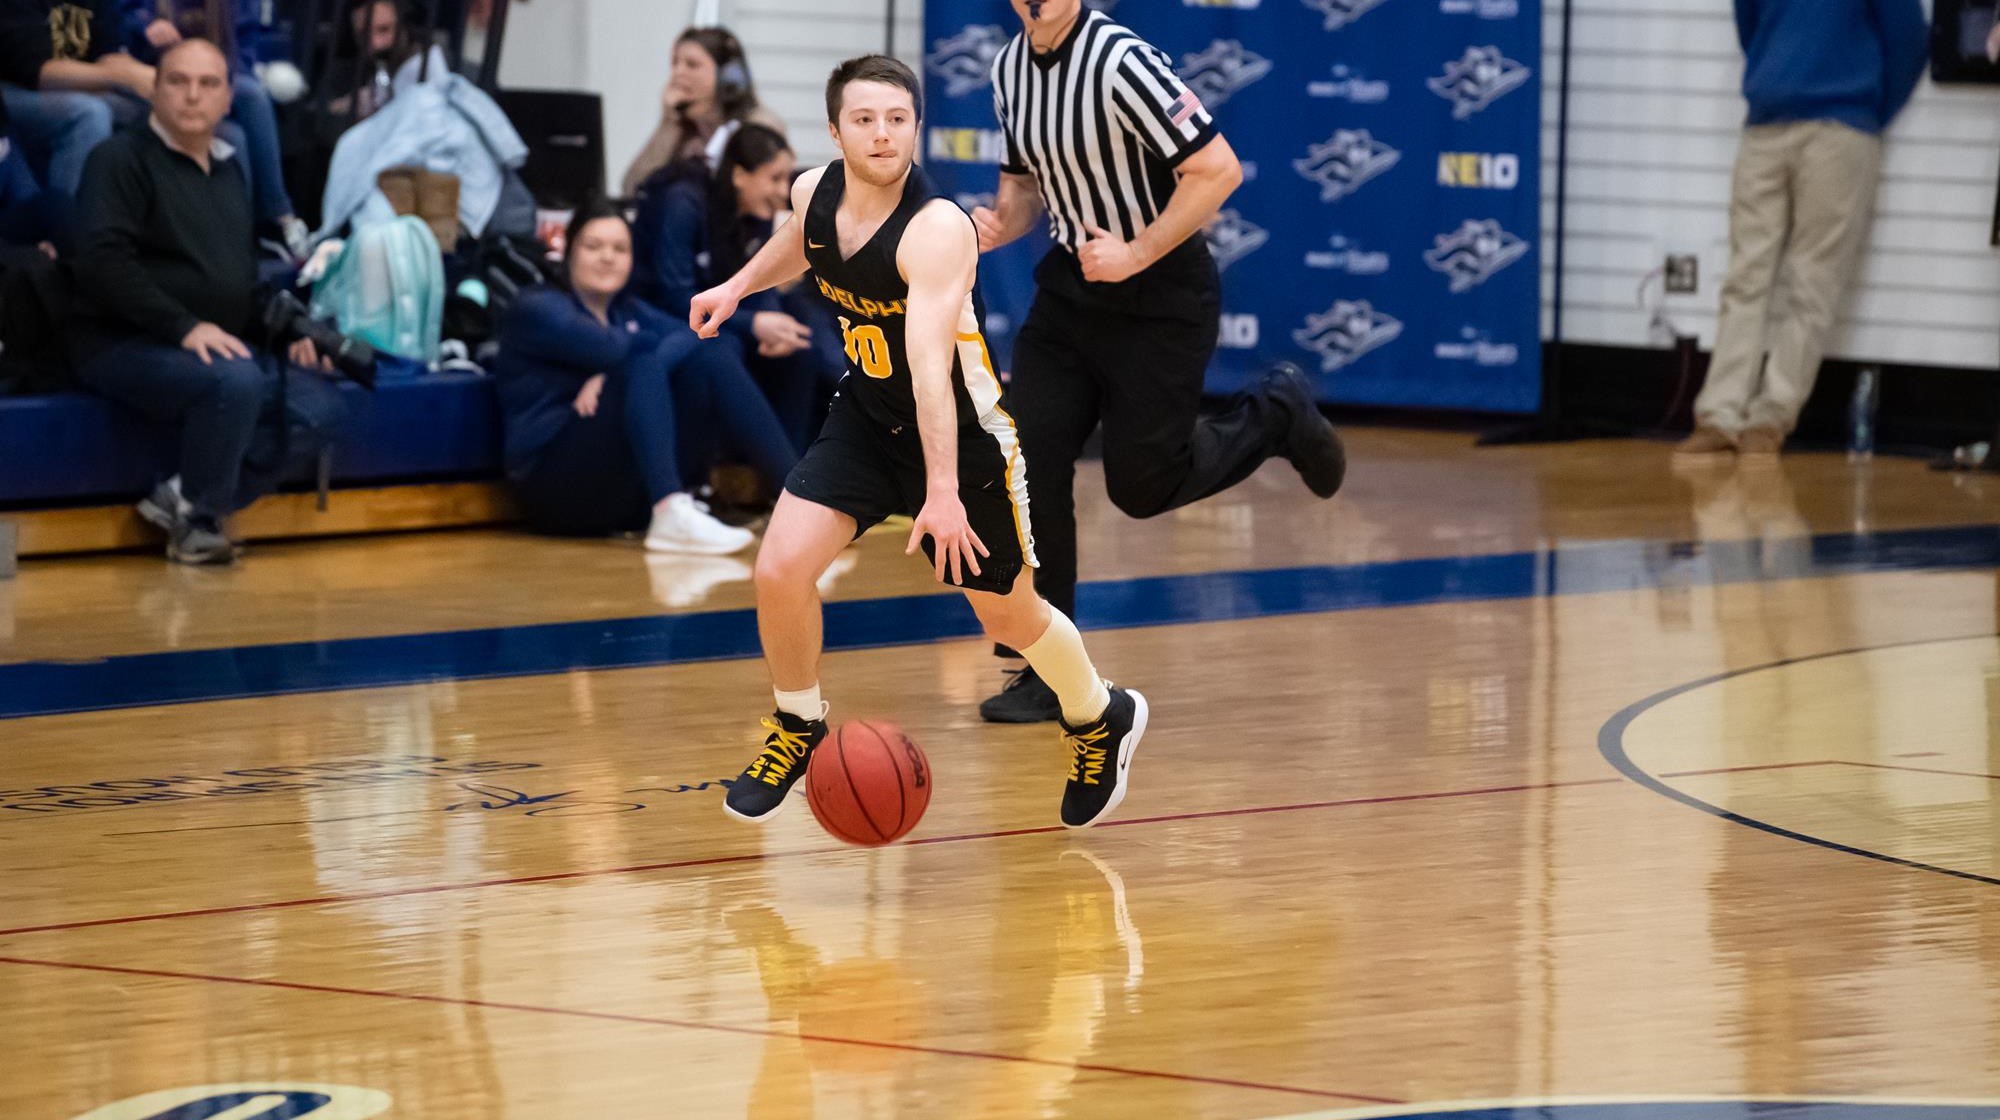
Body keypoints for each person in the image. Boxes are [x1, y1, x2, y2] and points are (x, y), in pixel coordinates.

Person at [690, 55, 1147, 830]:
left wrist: (939, 494)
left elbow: (932, 372)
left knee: (1008, 619)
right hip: (867, 419)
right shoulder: (813, 190)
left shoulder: (936, 231)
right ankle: (799, 724)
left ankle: (1101, 713)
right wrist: (736, 287)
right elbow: (802, 241)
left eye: (897, 119)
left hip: (960, 441)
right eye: (864, 119)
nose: (882, 134)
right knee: (779, 568)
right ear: (835, 130)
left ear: (916, 127)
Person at [974, 0, 1346, 722]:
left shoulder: (1123, 61)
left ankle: (1278, 411)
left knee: (1142, 487)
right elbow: (1023, 185)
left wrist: (1138, 251)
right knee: (1026, 463)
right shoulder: (1008, 67)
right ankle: (1050, 670)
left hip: (1161, 296)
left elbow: (1217, 169)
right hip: (1072, 291)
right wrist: (999, 224)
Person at [68, 38, 347, 564]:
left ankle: (178, 496)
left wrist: (289, 335)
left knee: (319, 408)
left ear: (226, 100)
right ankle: (198, 522)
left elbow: (236, 280)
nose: (192, 97)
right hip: (122, 343)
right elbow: (102, 264)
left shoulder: (229, 169)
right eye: (177, 82)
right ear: (154, 90)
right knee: (235, 379)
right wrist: (182, 326)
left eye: (208, 84)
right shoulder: (118, 159)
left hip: (205, 343)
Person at [1676, 0, 1926, 457]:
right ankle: (1719, 414)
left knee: (1813, 282)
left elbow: (1909, 41)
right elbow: (1749, 25)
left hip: (1840, 130)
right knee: (1744, 277)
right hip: (1765, 125)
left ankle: (1771, 416)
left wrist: (1862, 112)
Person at [493, 199, 799, 553]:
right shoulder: (537, 307)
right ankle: (671, 509)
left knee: (709, 358)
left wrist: (612, 375)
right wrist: (627, 367)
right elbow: (622, 352)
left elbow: (709, 336)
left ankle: (800, 498)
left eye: (620, 249)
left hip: (618, 489)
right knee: (642, 362)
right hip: (552, 490)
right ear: (568, 253)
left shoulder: (630, 310)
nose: (608, 257)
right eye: (593, 246)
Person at [632, 123, 835, 452]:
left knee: (799, 345)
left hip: (715, 315)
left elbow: (759, 280)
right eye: (775, 178)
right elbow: (673, 295)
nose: (784, 192)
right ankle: (785, 477)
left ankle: (798, 474)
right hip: (656, 314)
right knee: (726, 347)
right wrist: (755, 324)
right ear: (740, 175)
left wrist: (771, 323)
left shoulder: (752, 214)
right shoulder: (683, 203)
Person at [119, 0, 307, 255]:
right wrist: (146, 27)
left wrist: (215, 80)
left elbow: (244, 50)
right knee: (250, 99)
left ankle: (245, 237)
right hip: (155, 79)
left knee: (238, 129)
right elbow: (118, 23)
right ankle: (279, 216)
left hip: (216, 78)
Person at [0, 0, 153, 232]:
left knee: (143, 109)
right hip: (15, 90)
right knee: (88, 114)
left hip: (77, 85)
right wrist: (120, 77)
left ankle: (142, 225)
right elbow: (38, 72)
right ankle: (72, 234)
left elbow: (110, 55)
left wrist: (160, 81)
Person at [619, 25, 785, 198]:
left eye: (692, 65)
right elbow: (632, 188)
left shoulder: (760, 124)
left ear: (728, 75)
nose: (677, 73)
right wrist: (669, 124)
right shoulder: (681, 127)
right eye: (675, 63)